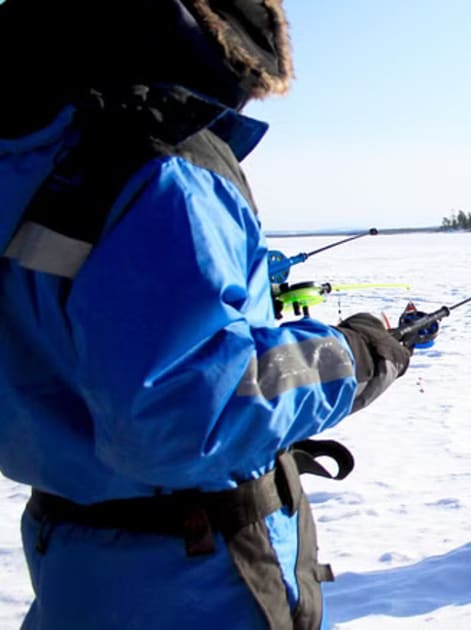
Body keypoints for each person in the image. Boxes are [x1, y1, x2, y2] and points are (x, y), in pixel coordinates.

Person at [0, 1, 428, 627]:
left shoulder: (31, 141)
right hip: (193, 581)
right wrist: (355, 356)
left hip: (77, 568)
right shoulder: (163, 165)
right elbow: (191, 412)